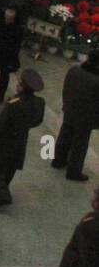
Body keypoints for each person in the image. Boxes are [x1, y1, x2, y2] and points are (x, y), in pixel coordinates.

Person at [0, 69, 46, 208]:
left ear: (22, 87)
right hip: (20, 140)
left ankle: (1, 195)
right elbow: (38, 121)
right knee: (10, 166)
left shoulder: (14, 104)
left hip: (3, 140)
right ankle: (2, 187)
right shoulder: (40, 102)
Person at [54, 52, 99, 181]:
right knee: (80, 144)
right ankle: (73, 171)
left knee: (64, 135)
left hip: (69, 109)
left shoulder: (74, 70)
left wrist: (66, 104)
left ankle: (58, 160)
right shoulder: (96, 81)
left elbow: (66, 88)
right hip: (85, 117)